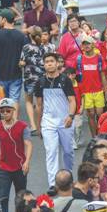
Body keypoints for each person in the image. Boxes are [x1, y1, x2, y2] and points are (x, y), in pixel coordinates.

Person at [35, 52, 76, 194]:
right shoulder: (40, 82)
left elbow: (72, 100)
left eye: (52, 61)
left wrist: (70, 116)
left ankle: (68, 177)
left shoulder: (65, 80)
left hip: (65, 121)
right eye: (46, 62)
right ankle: (53, 184)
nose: (49, 64)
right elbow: (39, 105)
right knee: (51, 151)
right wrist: (38, 125)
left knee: (68, 151)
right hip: (48, 122)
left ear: (57, 63)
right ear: (44, 65)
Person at [0, 98, 32, 212]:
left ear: (13, 110)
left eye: (7, 111)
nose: (5, 113)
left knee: (21, 197)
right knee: (3, 197)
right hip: (4, 168)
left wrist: (27, 162)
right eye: (2, 111)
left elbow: (28, 144)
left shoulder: (22, 127)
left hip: (19, 167)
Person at [0, 10, 26, 103]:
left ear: (4, 20)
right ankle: (14, 113)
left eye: (0, 18)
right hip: (16, 73)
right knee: (14, 101)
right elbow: (25, 53)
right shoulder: (21, 36)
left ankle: (5, 113)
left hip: (0, 74)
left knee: (3, 101)